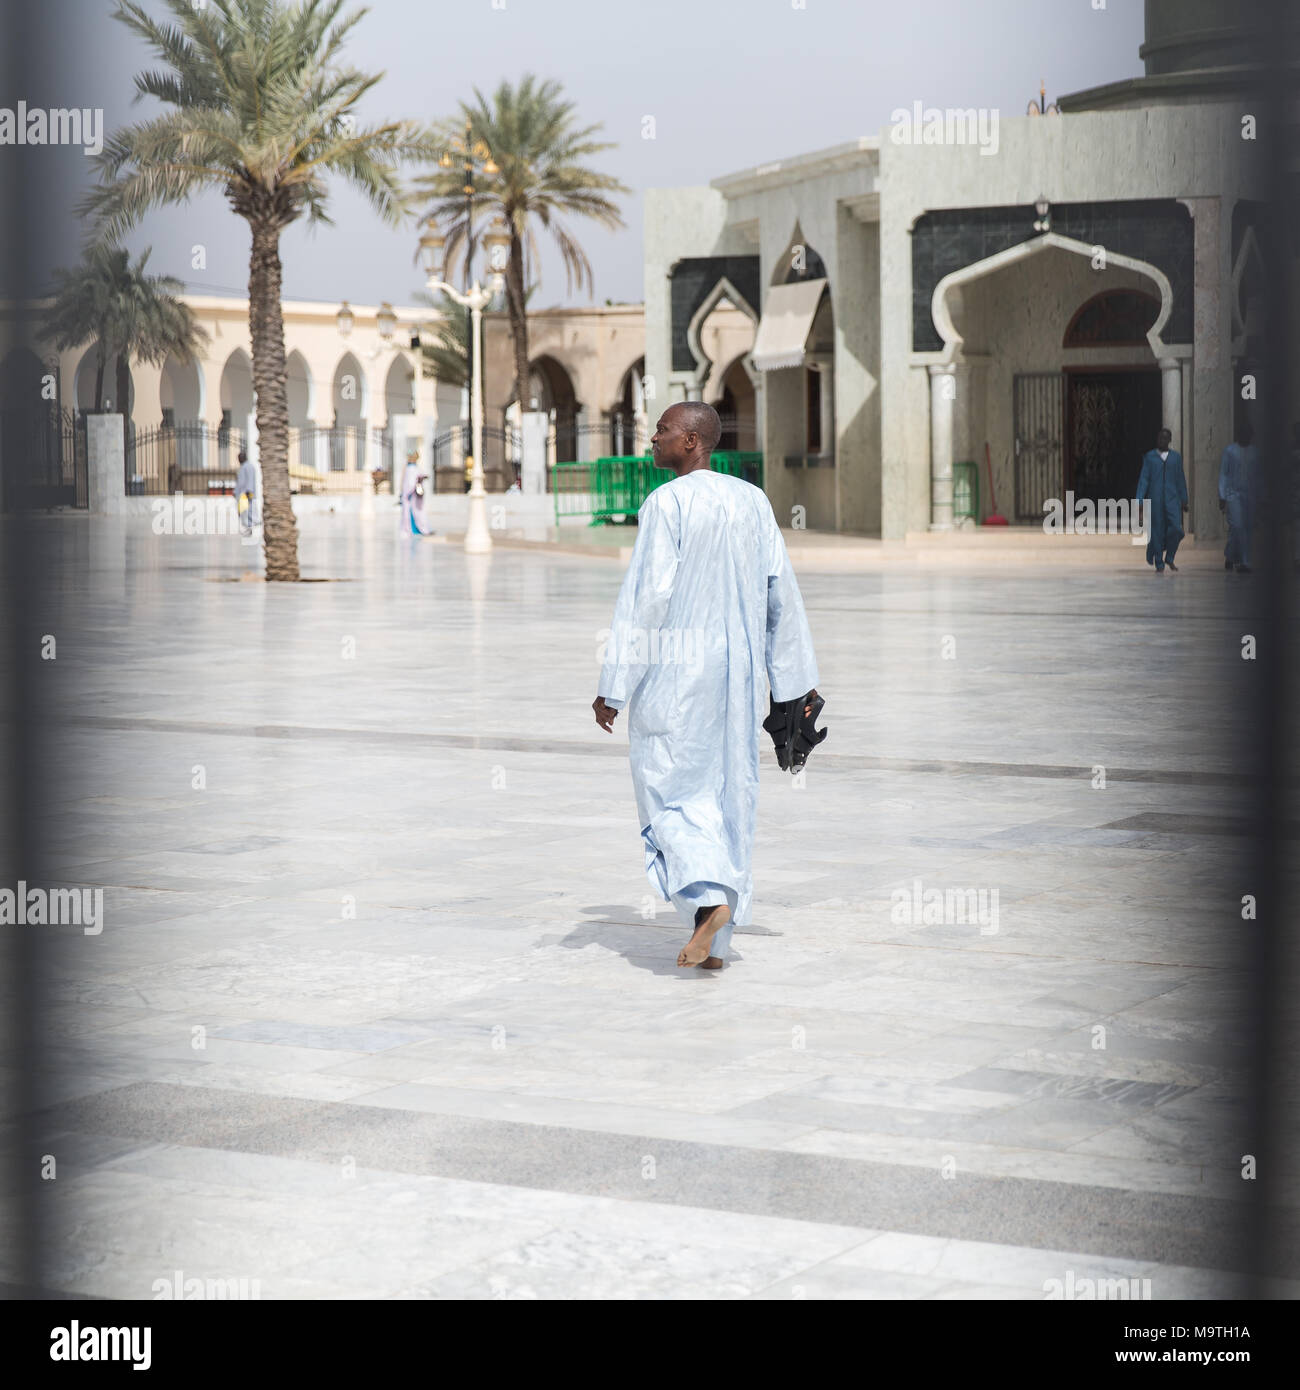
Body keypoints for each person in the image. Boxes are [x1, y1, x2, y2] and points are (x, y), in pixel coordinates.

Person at [592, 401, 821, 972]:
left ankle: (707, 902)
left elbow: (648, 599)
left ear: (692, 441)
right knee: (727, 796)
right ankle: (715, 943)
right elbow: (781, 595)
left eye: (663, 431)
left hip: (676, 676)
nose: (652, 438)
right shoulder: (753, 500)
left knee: (671, 792)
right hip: (737, 679)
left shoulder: (666, 503)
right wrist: (793, 684)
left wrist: (614, 684)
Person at [1134, 428, 1187, 574]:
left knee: (1176, 529)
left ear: (1169, 440)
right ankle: (1159, 562)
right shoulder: (1150, 457)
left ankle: (1169, 556)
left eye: (1165, 439)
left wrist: (1184, 499)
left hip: (1172, 499)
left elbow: (1180, 478)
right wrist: (1139, 500)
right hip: (1155, 499)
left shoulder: (1176, 458)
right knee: (1156, 531)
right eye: (1160, 438)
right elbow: (1144, 480)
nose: (1162, 441)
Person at [1219, 421, 1258, 573]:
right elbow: (1224, 473)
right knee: (1237, 525)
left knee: (1246, 528)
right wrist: (1222, 495)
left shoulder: (1255, 452)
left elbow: (1258, 476)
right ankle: (1244, 561)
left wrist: (1262, 497)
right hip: (1232, 494)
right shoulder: (1229, 451)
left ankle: (1230, 555)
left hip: (1250, 494)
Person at [399, 445, 434, 536]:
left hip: (414, 496)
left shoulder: (413, 468)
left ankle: (423, 529)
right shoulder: (410, 468)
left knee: (419, 512)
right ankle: (418, 530)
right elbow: (409, 484)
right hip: (411, 496)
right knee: (413, 512)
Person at [234, 449, 257, 537]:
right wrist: (235, 491)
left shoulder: (249, 466)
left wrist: (249, 491)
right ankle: (247, 528)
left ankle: (249, 528)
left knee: (247, 512)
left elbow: (250, 480)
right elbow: (240, 482)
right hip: (242, 494)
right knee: (243, 512)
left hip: (246, 494)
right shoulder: (243, 467)